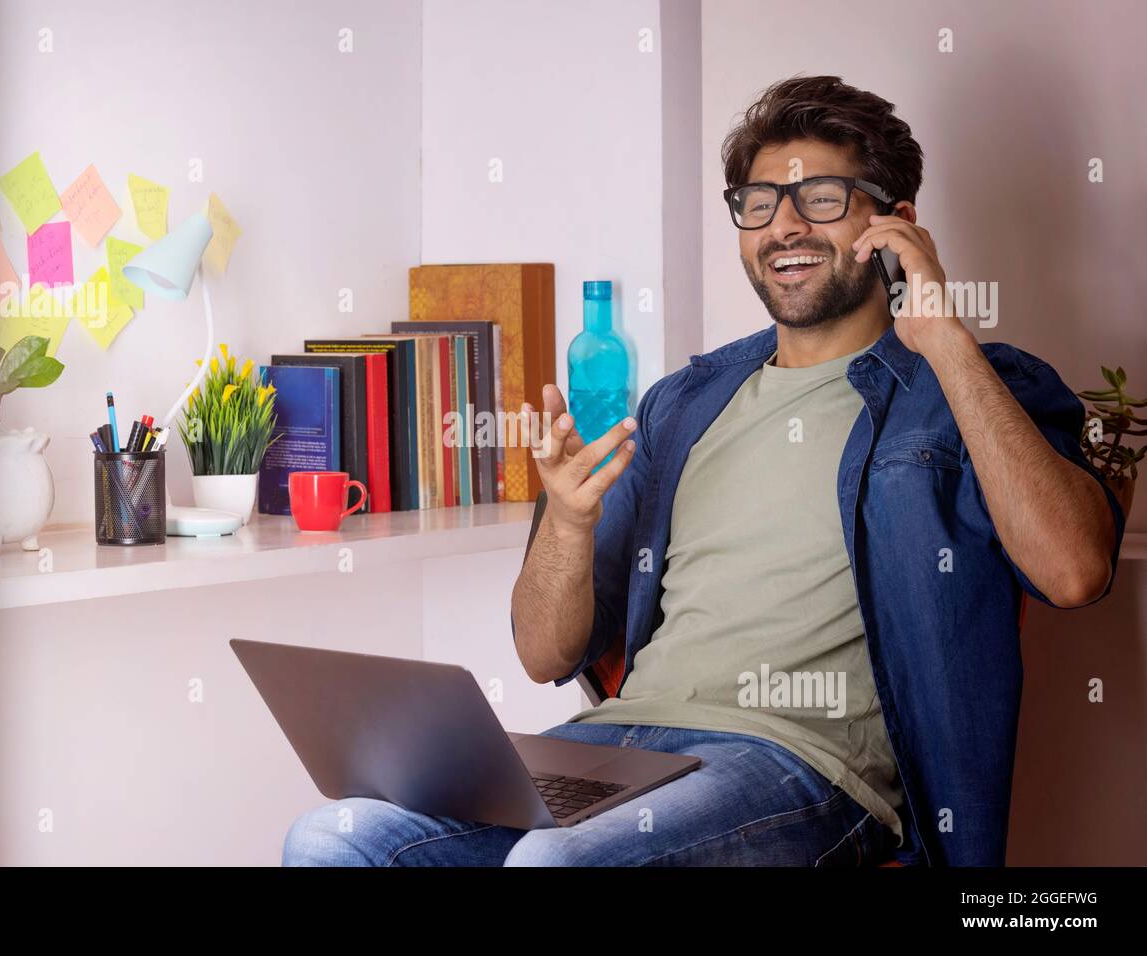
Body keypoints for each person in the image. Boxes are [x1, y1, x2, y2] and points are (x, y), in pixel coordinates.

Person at [282, 75, 1124, 867]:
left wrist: (942, 335)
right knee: (336, 834)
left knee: (555, 858)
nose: (784, 228)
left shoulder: (979, 386)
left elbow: (1075, 572)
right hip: (616, 745)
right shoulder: (681, 403)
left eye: (819, 199)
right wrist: (568, 522)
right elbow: (545, 655)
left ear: (895, 223)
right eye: (759, 205)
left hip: (800, 766)